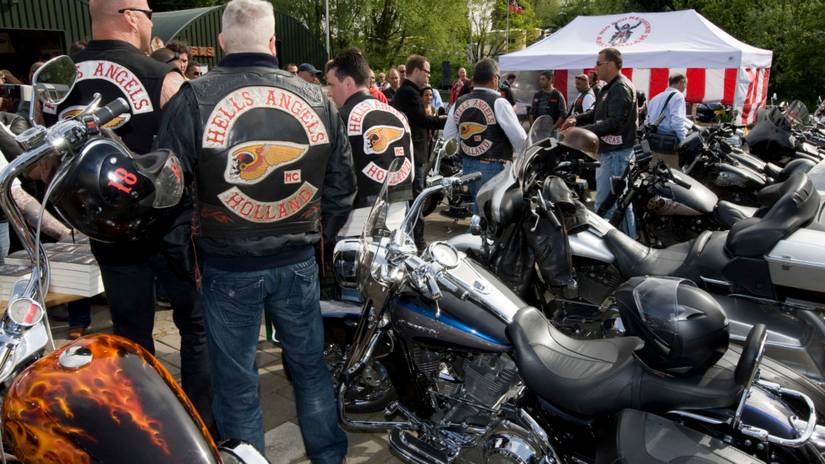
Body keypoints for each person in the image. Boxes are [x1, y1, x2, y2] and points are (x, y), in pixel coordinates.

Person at [156, 0, 354, 459]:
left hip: (227, 265)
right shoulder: (317, 98)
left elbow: (167, 194)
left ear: (222, 41)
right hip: (297, 260)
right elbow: (342, 186)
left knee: (237, 384)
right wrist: (319, 237)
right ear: (272, 42)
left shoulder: (193, 98)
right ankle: (329, 457)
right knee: (310, 371)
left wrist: (187, 261)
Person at [43, 0, 211, 423]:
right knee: (195, 328)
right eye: (149, 14)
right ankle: (198, 423)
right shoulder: (163, 77)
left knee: (131, 334)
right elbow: (192, 157)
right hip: (170, 225)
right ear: (131, 16)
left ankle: (147, 424)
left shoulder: (60, 77)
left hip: (107, 230)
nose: (150, 22)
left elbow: (46, 164)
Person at [325, 48, 413, 237]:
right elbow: (410, 173)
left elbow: (332, 177)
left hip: (354, 224)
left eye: (331, 84)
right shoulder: (398, 116)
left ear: (348, 83)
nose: (329, 92)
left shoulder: (337, 119)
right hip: (398, 219)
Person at [562, 47, 637, 237]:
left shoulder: (620, 88)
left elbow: (614, 122)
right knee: (611, 203)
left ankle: (626, 244)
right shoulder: (608, 87)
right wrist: (576, 119)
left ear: (610, 64)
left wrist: (581, 131)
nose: (595, 68)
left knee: (611, 204)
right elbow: (595, 113)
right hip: (609, 153)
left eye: (598, 63)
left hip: (616, 154)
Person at [443, 58, 526, 214]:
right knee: (491, 216)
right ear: (494, 79)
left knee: (479, 210)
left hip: (468, 165)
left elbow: (449, 137)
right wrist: (525, 159)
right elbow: (520, 139)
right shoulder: (500, 102)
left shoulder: (459, 102)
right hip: (494, 167)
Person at [392, 54, 446, 250]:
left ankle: (413, 239)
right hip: (413, 155)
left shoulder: (408, 91)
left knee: (414, 198)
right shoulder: (409, 92)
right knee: (417, 199)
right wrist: (445, 121)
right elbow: (421, 121)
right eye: (427, 71)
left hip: (412, 153)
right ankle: (418, 242)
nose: (429, 76)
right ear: (416, 70)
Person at [644, 73, 688, 168]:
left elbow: (647, 120)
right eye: (685, 84)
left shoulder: (656, 97)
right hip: (668, 144)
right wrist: (684, 141)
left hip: (653, 142)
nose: (685, 88)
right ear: (681, 82)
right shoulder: (678, 96)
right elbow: (677, 122)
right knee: (672, 174)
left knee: (654, 173)